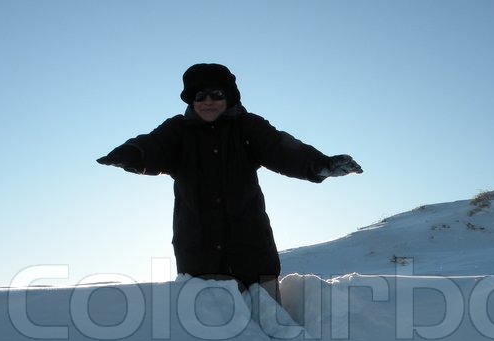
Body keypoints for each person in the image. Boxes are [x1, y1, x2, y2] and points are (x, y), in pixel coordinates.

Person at [97, 63, 362, 301]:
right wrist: (131, 153)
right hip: (201, 259)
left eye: (217, 94)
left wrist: (319, 165)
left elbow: (282, 148)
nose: (208, 101)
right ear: (191, 100)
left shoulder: (247, 127)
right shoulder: (178, 131)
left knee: (270, 331)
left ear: (230, 97)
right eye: (200, 96)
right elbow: (153, 146)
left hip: (254, 253)